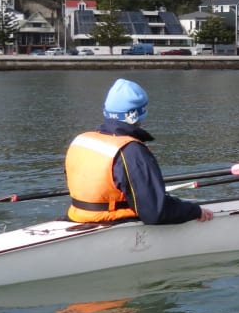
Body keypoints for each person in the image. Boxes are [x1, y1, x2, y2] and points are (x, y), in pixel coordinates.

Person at [65, 78, 213, 224]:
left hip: (77, 216)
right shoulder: (131, 151)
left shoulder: (81, 140)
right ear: (135, 115)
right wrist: (194, 211)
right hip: (114, 222)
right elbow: (155, 212)